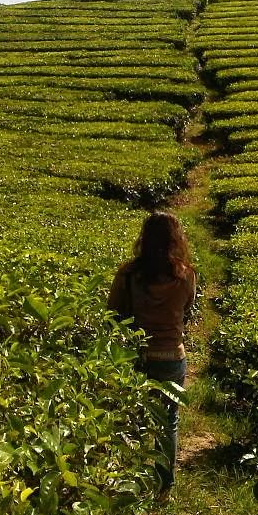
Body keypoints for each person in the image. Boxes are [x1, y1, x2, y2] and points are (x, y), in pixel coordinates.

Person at [107, 211, 197, 497]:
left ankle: (127, 485)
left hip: (137, 356)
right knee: (167, 422)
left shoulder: (129, 273)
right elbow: (186, 311)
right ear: (176, 239)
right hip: (172, 356)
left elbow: (113, 313)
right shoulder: (185, 275)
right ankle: (163, 487)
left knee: (131, 421)